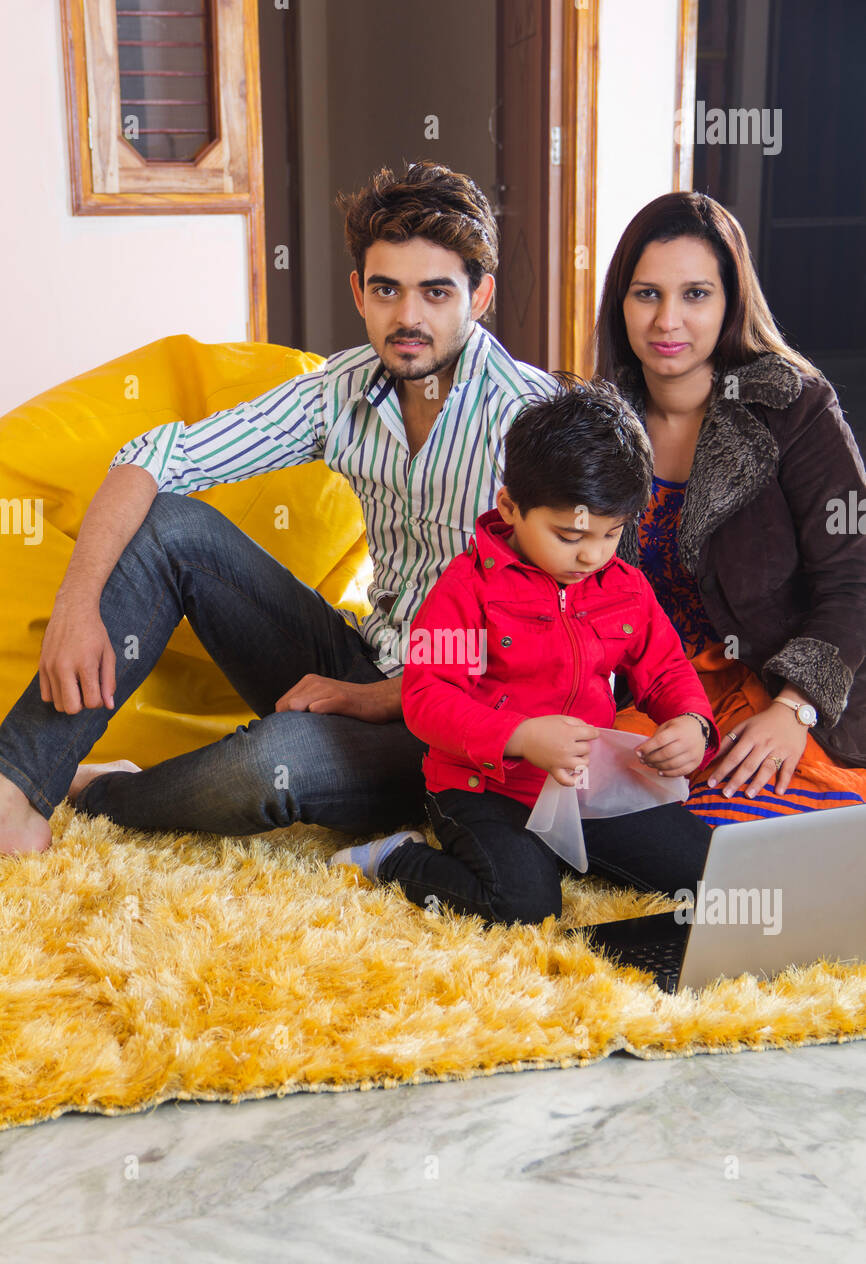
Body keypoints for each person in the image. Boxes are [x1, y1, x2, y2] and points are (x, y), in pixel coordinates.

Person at [0, 161, 560, 857]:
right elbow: (152, 455)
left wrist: (366, 701)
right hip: (370, 658)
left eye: (435, 292)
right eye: (387, 289)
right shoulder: (343, 388)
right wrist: (76, 603)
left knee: (273, 762)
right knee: (170, 525)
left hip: (465, 729)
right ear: (359, 292)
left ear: (479, 299)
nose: (408, 317)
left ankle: (102, 792)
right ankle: (15, 785)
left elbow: (542, 647)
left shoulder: (531, 422)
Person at [330, 379, 721, 925]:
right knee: (522, 906)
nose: (592, 556)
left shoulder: (625, 585)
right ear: (510, 507)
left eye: (611, 535)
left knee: (717, 879)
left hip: (583, 785)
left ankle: (568, 850)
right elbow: (426, 697)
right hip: (483, 788)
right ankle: (398, 857)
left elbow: (666, 671)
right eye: (568, 536)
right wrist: (517, 736)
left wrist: (692, 722)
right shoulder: (466, 588)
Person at [593, 191, 866, 824]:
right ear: (621, 303)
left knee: (749, 847)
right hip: (663, 705)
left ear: (729, 302)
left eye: (695, 294)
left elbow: (855, 579)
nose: (668, 322)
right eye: (647, 294)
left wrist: (795, 708)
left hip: (781, 700)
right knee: (574, 818)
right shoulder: (600, 421)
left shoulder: (794, 406)